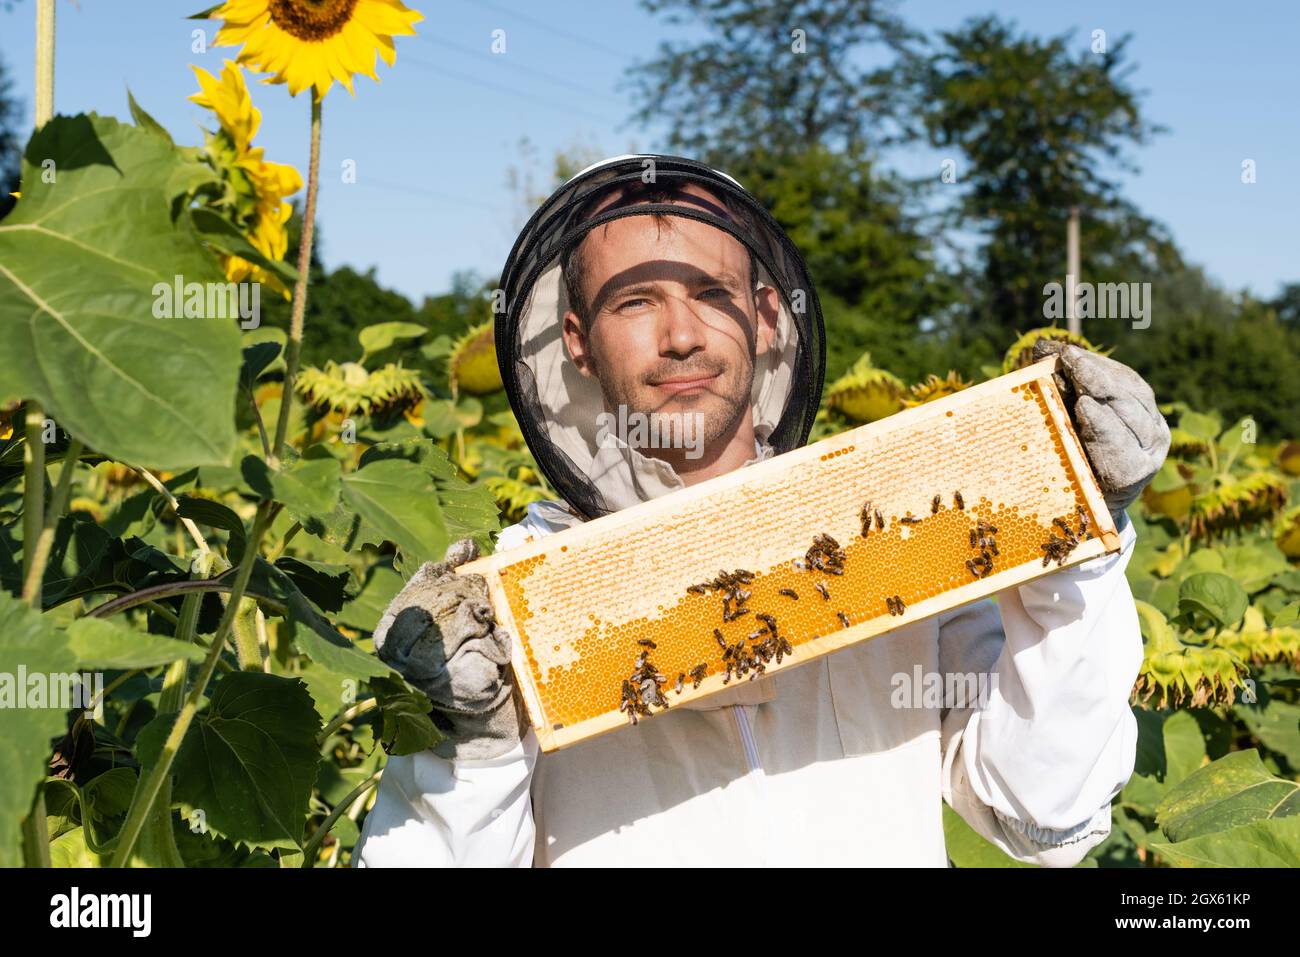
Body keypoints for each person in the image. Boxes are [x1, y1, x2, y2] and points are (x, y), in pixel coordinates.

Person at [353, 155, 1170, 867]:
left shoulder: (884, 531)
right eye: (634, 302)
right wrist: (473, 745)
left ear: (769, 315)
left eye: (711, 291)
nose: (680, 334)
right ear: (577, 340)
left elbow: (1048, 817)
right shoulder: (511, 609)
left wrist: (1081, 549)